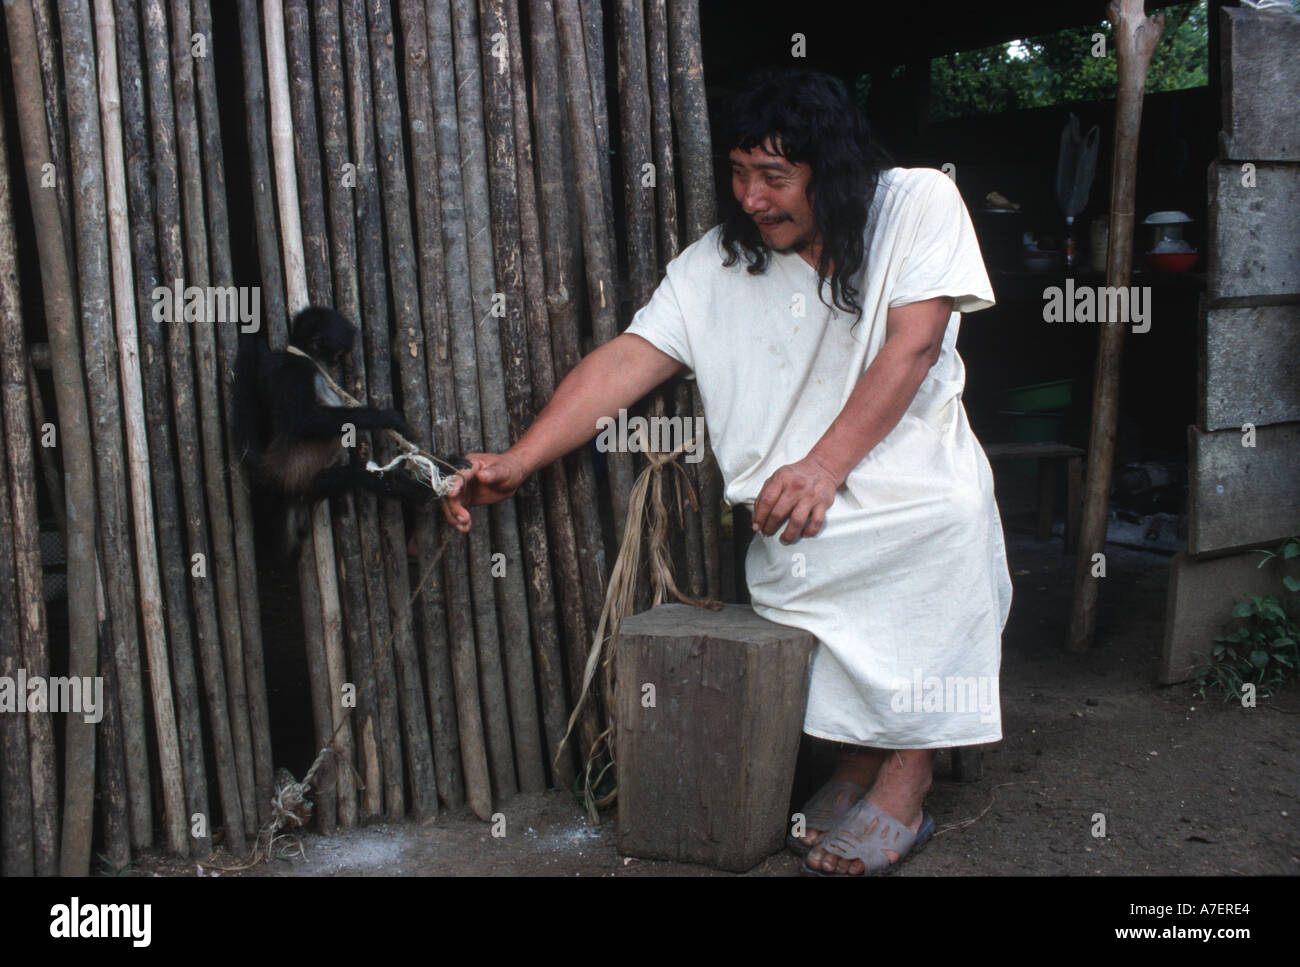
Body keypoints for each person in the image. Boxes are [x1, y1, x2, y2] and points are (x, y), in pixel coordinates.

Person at [442, 68, 1013, 876]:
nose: (750, 197)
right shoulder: (716, 263)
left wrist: (823, 465)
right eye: (739, 173)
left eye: (775, 177)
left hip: (913, 484)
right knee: (804, 582)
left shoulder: (918, 203)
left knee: (946, 527)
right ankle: (854, 762)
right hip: (794, 510)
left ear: (834, 170)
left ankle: (906, 775)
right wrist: (519, 460)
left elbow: (914, 343)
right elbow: (628, 360)